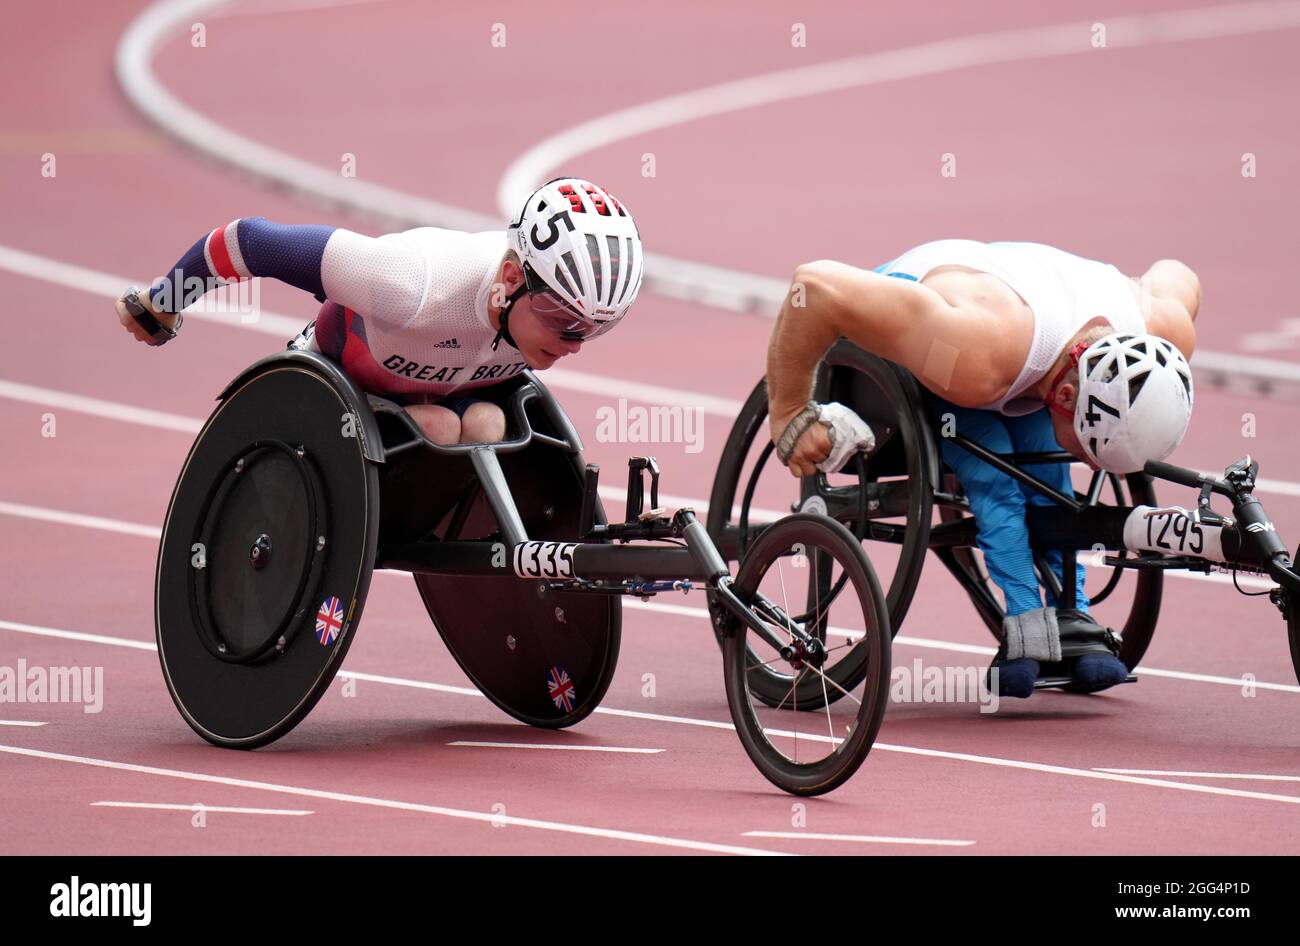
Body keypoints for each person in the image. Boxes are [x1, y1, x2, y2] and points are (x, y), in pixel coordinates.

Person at [766, 240, 1198, 697]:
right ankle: (1026, 625)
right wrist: (790, 410)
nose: (1095, 465)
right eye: (1097, 451)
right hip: (956, 336)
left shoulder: (1164, 327)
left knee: (1051, 479)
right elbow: (812, 286)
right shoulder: (972, 356)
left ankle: (1073, 615)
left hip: (1033, 333)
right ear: (1069, 398)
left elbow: (1180, 272)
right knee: (994, 479)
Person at [116, 177, 644, 444]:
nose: (574, 344)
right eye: (561, 319)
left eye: (595, 329)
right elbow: (250, 242)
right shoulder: (409, 281)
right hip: (342, 385)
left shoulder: (535, 315)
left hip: (457, 402)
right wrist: (162, 303)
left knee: (487, 426)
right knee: (440, 428)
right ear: (511, 280)